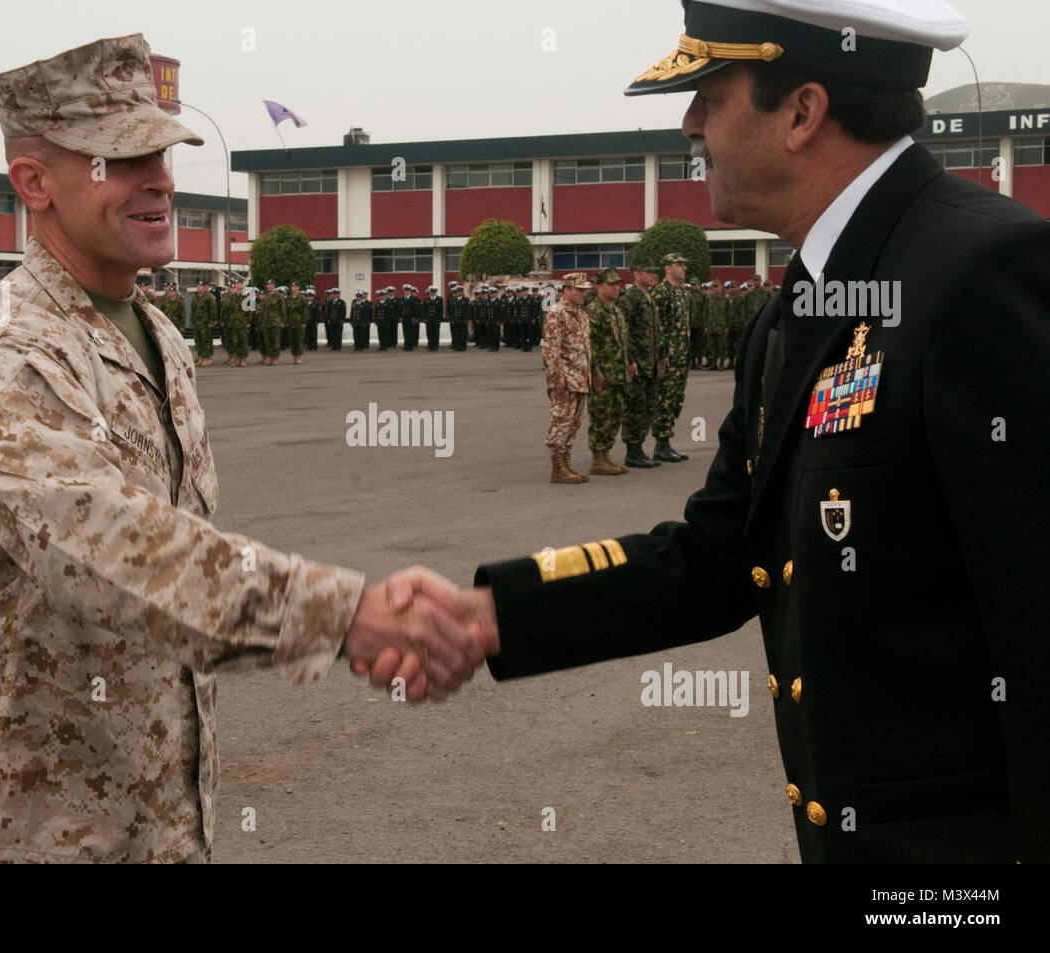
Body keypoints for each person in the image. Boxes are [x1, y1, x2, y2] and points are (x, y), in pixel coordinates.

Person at [372, 0, 1049, 864]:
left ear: (802, 112)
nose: (689, 124)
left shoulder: (981, 274)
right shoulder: (794, 312)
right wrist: (492, 613)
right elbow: (719, 554)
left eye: (709, 97)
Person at [0, 34, 484, 865]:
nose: (159, 181)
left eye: (161, 153)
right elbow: (103, 549)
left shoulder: (159, 336)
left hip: (161, 822)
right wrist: (337, 612)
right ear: (34, 183)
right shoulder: (7, 353)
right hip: (33, 835)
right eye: (120, 158)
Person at [541, 273, 593, 484]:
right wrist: (556, 379)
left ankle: (566, 462)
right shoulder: (556, 313)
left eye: (585, 290)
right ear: (567, 291)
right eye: (579, 290)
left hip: (580, 378)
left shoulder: (581, 314)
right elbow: (551, 349)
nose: (583, 294)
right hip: (565, 379)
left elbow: (586, 348)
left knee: (574, 423)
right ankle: (557, 467)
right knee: (562, 421)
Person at [585, 268, 633, 476]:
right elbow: (590, 345)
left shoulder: (615, 310)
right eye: (611, 285)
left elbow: (622, 342)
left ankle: (606, 455)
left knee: (614, 415)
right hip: (603, 374)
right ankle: (597, 459)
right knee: (600, 415)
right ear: (598, 286)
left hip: (618, 373)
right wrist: (595, 372)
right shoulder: (594, 310)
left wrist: (629, 362)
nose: (616, 288)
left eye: (617, 284)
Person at [618, 260, 663, 468]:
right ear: (637, 274)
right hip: (638, 363)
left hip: (651, 363)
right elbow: (623, 332)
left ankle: (640, 447)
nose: (654, 275)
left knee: (648, 407)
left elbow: (655, 330)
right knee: (635, 407)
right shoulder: (631, 298)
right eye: (649, 272)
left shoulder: (650, 297)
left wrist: (661, 354)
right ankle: (632, 451)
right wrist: (630, 360)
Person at [650, 252, 692, 462]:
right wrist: (661, 353)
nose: (683, 268)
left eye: (684, 266)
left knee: (676, 399)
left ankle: (666, 441)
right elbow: (656, 327)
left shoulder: (682, 293)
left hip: (682, 355)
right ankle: (661, 444)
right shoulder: (661, 292)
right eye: (679, 265)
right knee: (665, 399)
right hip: (668, 357)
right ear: (667, 268)